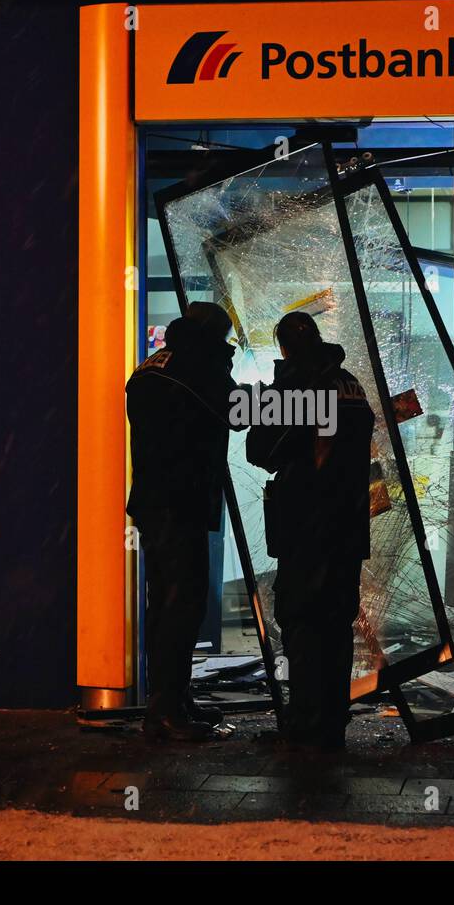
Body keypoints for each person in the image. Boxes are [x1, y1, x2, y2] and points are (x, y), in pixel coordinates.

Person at [246, 312, 374, 751]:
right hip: (348, 524)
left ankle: (304, 726)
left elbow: (259, 451)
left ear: (283, 347)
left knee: (301, 620)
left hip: (307, 525)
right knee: (337, 623)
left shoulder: (295, 386)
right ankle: (332, 724)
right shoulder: (349, 383)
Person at [126, 301, 240, 742]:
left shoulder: (152, 364)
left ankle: (171, 699)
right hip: (181, 500)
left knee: (165, 603)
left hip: (154, 499)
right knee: (182, 605)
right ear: (212, 333)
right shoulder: (197, 364)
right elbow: (235, 411)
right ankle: (165, 714)